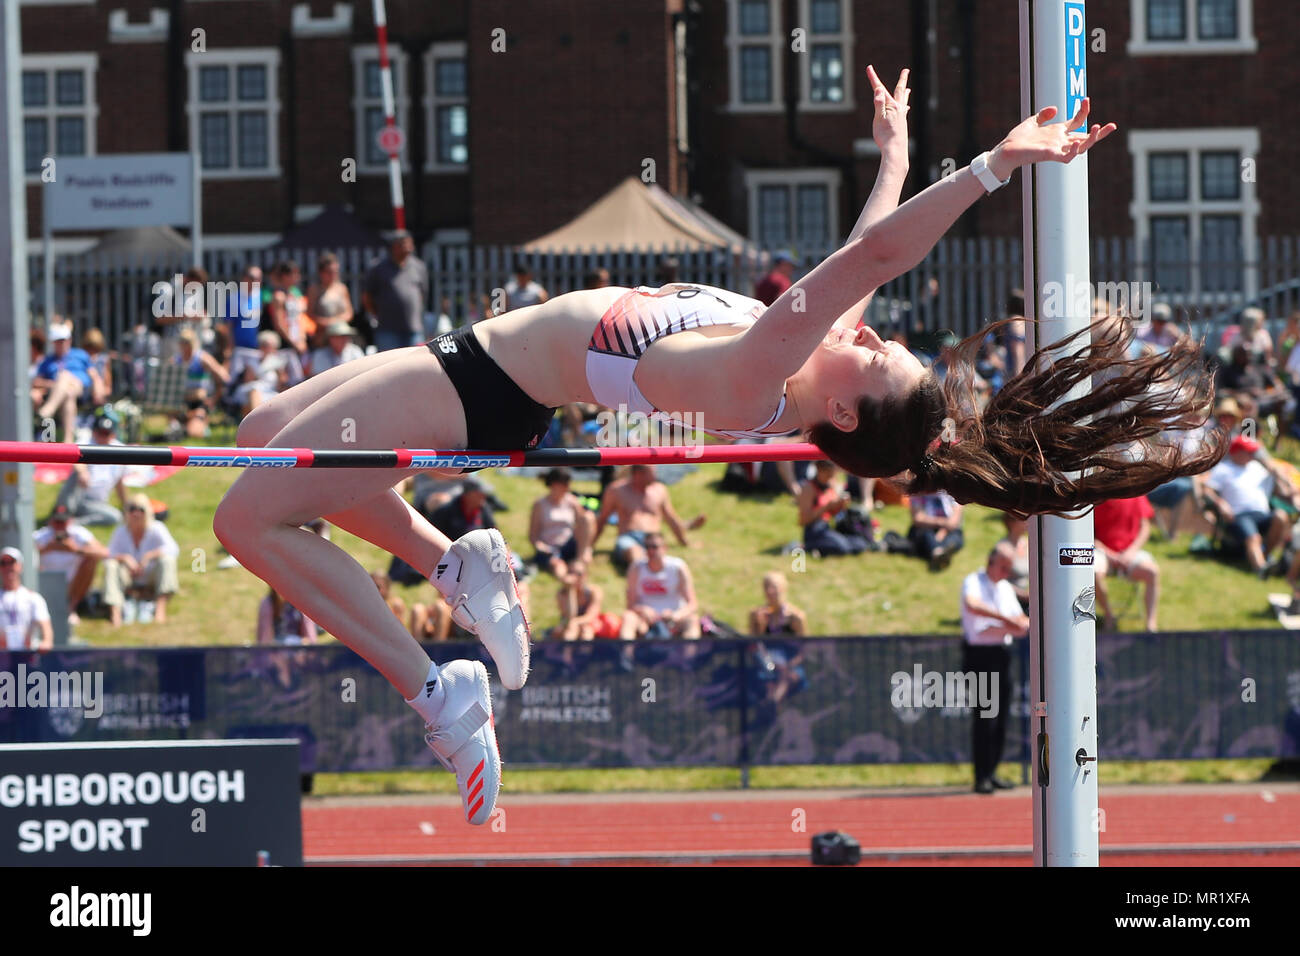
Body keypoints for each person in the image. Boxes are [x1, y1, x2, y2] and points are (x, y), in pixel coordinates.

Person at [214, 71, 1205, 829]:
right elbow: (872, 240)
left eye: (878, 355)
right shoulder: (814, 345)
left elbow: (874, 256)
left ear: (848, 417)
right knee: (263, 439)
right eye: (879, 334)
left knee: (246, 513)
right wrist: (894, 154)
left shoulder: (760, 373)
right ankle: (452, 559)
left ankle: (437, 689)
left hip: (486, 389)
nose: (869, 334)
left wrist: (996, 164)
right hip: (478, 363)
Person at [960, 542, 1029, 794]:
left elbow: (1020, 623)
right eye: (1004, 566)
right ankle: (981, 776)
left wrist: (1007, 622)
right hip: (979, 657)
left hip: (1001, 654)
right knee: (984, 718)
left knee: (1000, 718)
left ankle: (992, 771)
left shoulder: (1004, 588)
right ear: (992, 562)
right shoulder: (973, 581)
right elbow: (972, 605)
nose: (1007, 572)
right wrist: (1005, 620)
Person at [1201, 434, 1292, 575]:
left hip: (1262, 513)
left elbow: (1278, 487)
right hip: (1238, 515)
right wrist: (1221, 504)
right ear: (1237, 452)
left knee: (1281, 516)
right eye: (1248, 451)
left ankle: (1265, 557)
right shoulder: (1223, 468)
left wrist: (1286, 485)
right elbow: (1207, 490)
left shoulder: (1257, 468)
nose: (1252, 455)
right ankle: (1261, 570)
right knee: (1253, 538)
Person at [592, 464, 705, 570]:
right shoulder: (617, 490)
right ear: (638, 474)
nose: (655, 476)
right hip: (629, 538)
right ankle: (644, 577)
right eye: (651, 472)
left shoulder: (659, 490)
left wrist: (685, 542)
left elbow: (671, 519)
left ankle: (652, 571)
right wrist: (589, 546)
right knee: (634, 553)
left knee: (657, 553)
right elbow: (602, 519)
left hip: (653, 538)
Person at [104, 493, 180, 626]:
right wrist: (125, 558)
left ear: (148, 512)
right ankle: (115, 612)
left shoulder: (157, 528)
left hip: (150, 576)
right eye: (132, 509)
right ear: (126, 512)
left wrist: (149, 556)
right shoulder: (121, 531)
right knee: (110, 565)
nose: (136, 513)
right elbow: (109, 554)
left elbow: (173, 549)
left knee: (167, 560)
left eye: (141, 510)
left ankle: (160, 608)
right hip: (128, 577)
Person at [1092, 495, 1161, 632]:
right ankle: (1109, 616)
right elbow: (1089, 536)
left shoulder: (1136, 493)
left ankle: (1151, 625)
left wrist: (1131, 551)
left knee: (1152, 572)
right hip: (1103, 553)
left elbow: (1145, 527)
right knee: (1093, 572)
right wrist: (1110, 555)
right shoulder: (1096, 497)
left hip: (1130, 552)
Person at [33, 504, 108, 628]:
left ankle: (71, 609)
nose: (60, 526)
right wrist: (46, 549)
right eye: (57, 522)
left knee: (91, 559)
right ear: (51, 521)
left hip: (73, 585)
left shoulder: (79, 534)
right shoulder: (41, 536)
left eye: (63, 522)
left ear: (70, 521)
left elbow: (104, 552)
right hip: (46, 584)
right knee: (33, 562)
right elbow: (21, 556)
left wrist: (76, 550)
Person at [54, 408, 128, 526]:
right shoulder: (86, 441)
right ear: (94, 432)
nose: (102, 437)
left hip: (96, 503)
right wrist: (83, 472)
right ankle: (63, 514)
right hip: (78, 497)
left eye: (106, 433)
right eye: (100, 432)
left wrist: (126, 505)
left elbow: (119, 482)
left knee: (115, 517)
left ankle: (70, 523)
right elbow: (77, 460)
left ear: (113, 434)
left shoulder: (120, 450)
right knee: (75, 476)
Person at [620, 533, 700, 640]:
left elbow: (692, 604)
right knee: (628, 618)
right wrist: (642, 610)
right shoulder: (636, 568)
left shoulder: (677, 567)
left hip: (674, 617)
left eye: (654, 547)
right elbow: (630, 605)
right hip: (645, 619)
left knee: (692, 620)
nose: (651, 551)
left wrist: (676, 615)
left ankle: (688, 655)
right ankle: (626, 655)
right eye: (647, 547)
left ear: (664, 548)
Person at [363, 231, 428, 351]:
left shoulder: (419, 266)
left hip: (413, 329)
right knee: (388, 365)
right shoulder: (378, 268)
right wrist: (376, 313)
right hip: (387, 330)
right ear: (394, 247)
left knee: (414, 364)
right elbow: (367, 296)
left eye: (409, 243)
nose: (408, 247)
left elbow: (422, 294)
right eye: (403, 243)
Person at [528, 468, 594, 581]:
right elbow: (533, 535)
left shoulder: (572, 501)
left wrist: (586, 547)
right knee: (557, 565)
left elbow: (585, 523)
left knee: (588, 517)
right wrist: (541, 547)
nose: (568, 488)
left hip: (569, 545)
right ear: (554, 485)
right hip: (550, 547)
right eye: (565, 484)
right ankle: (567, 581)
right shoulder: (540, 504)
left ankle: (580, 559)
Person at [33, 323, 94, 441]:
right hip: (63, 392)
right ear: (53, 343)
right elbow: (37, 381)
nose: (61, 343)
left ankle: (46, 411)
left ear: (69, 340)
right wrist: (55, 385)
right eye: (58, 341)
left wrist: (98, 391)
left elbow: (93, 374)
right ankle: (68, 440)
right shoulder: (47, 360)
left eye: (63, 340)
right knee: (68, 392)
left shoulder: (80, 355)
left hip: (81, 388)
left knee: (64, 376)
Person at [796, 460, 871, 556]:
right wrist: (826, 507)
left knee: (860, 543)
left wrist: (840, 504)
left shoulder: (831, 484)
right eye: (828, 474)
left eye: (832, 474)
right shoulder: (808, 488)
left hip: (828, 528)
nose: (830, 477)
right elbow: (803, 520)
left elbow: (834, 513)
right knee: (841, 547)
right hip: (814, 531)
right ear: (819, 469)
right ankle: (807, 546)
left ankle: (822, 548)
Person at [175, 329, 230, 438]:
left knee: (194, 433)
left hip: (199, 403)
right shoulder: (177, 360)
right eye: (183, 342)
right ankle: (185, 422)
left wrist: (214, 398)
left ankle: (197, 422)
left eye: (187, 343)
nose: (185, 346)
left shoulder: (202, 358)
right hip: (181, 404)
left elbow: (223, 377)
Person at [0, 547, 53, 651]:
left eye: (11, 562)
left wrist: (47, 641)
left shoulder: (32, 597)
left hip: (27, 654)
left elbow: (45, 625)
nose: (8, 567)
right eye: (3, 563)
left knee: (22, 667)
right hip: (2, 656)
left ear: (20, 566)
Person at [907, 488, 965, 570]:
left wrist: (942, 532)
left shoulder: (952, 491)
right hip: (926, 528)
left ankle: (937, 551)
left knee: (956, 537)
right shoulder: (918, 491)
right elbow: (918, 519)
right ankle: (939, 552)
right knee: (925, 533)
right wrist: (942, 523)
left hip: (948, 530)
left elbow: (954, 522)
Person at [306, 252, 355, 344]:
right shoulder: (314, 290)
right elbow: (310, 314)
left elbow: (349, 313)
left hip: (342, 334)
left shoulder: (342, 288)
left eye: (335, 272)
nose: (333, 275)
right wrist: (327, 323)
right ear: (321, 273)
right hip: (323, 336)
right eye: (329, 272)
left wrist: (336, 322)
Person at [748, 571, 807, 636]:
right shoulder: (756, 615)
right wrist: (761, 627)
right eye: (766, 586)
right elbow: (751, 644)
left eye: (774, 587)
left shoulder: (795, 617)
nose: (769, 591)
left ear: (783, 588)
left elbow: (803, 644)